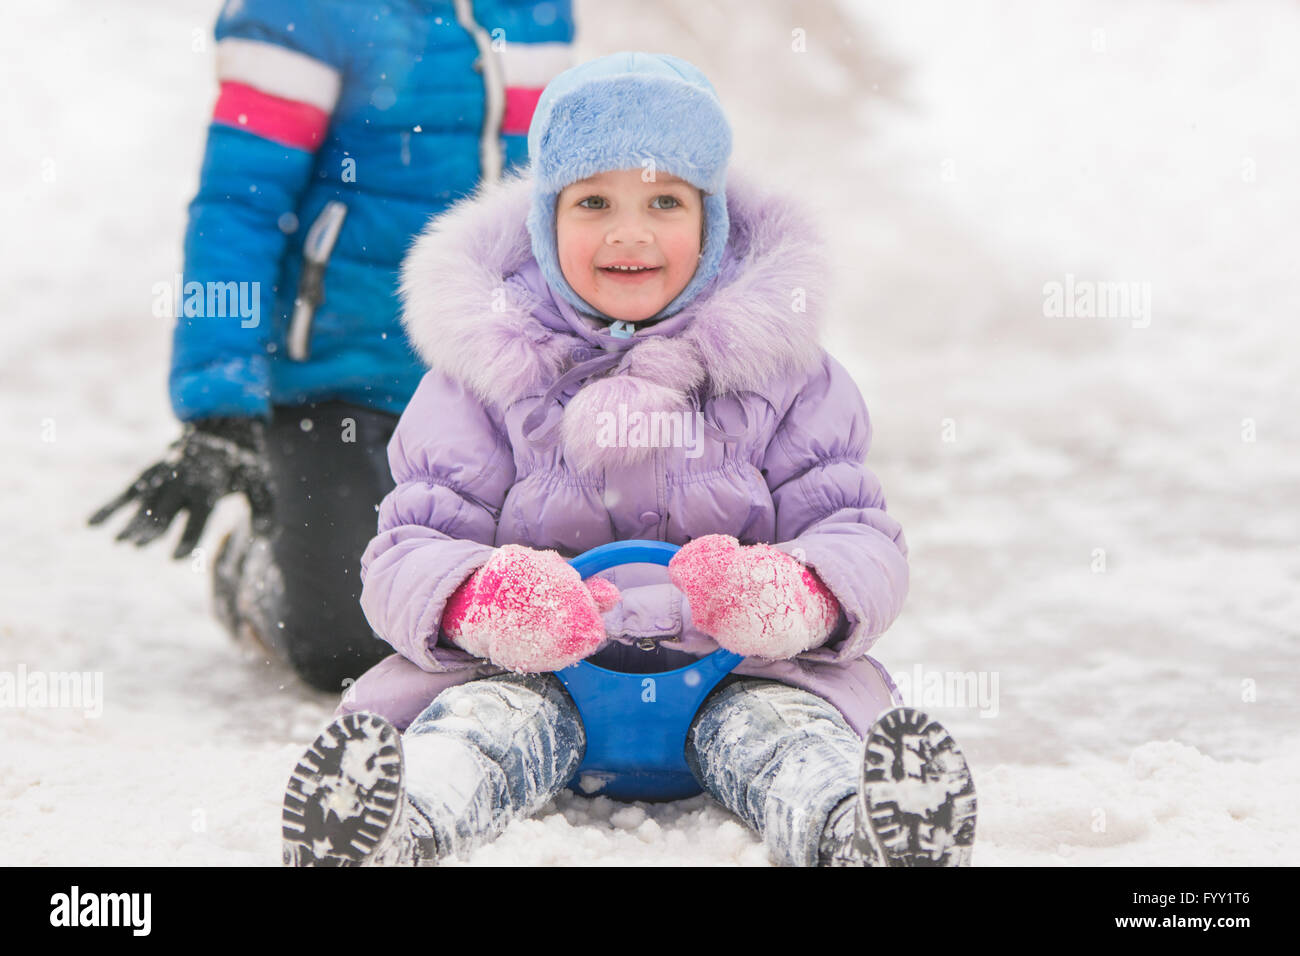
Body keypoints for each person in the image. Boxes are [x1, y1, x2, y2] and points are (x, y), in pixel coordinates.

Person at [279, 51, 978, 867]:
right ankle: (397, 825)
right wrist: (482, 600)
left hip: (740, 672)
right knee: (478, 734)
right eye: (595, 200)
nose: (629, 231)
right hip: (537, 675)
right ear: (546, 219)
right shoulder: (483, 380)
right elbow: (405, 550)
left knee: (788, 740)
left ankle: (856, 831)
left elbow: (856, 531)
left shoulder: (786, 374)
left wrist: (797, 593)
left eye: (665, 200)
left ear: (712, 219)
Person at [88, 0, 576, 692]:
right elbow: (237, 207)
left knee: (555, 609)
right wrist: (220, 403)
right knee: (352, 643)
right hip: (337, 380)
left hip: (490, 392)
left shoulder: (534, 12)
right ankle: (257, 568)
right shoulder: (305, 12)